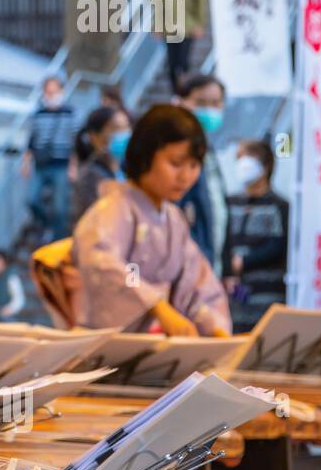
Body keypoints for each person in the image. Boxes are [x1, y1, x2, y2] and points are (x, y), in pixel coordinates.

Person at [72, 104, 230, 337]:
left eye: (194, 165)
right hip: (107, 347)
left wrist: (214, 327)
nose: (186, 176)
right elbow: (104, 264)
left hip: (159, 346)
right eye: (175, 163)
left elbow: (197, 284)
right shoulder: (114, 209)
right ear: (145, 156)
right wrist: (157, 306)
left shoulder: (174, 220)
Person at [223, 140, 290, 332]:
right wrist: (228, 267)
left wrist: (244, 261)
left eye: (249, 160)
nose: (242, 166)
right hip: (234, 300)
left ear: (265, 166)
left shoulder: (280, 205)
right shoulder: (229, 202)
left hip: (269, 297)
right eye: (239, 160)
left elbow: (280, 246)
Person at [174, 73, 228, 274]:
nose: (209, 110)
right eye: (200, 102)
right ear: (180, 103)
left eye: (215, 103)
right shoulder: (175, 151)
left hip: (210, 266)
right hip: (187, 268)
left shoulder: (209, 150)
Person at [21, 76, 78, 242]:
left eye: (54, 91)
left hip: (61, 164)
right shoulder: (39, 114)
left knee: (60, 207)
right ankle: (46, 225)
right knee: (31, 199)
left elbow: (75, 141)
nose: (50, 95)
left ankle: (58, 238)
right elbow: (32, 140)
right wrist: (25, 163)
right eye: (48, 91)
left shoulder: (71, 113)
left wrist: (74, 166)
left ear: (61, 91)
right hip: (41, 163)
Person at [149, 0, 210, 93]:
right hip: (169, 28)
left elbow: (200, 2)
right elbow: (157, 4)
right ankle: (176, 92)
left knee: (184, 62)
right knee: (172, 63)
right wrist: (156, 26)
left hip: (188, 28)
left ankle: (184, 92)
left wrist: (200, 24)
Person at [71, 105, 131, 225]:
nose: (126, 134)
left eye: (127, 127)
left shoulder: (123, 169)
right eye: (117, 129)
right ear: (94, 137)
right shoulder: (90, 176)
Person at [0, 249, 25, 323]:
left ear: (4, 263)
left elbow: (19, 300)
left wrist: (9, 309)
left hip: (6, 319)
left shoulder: (11, 278)